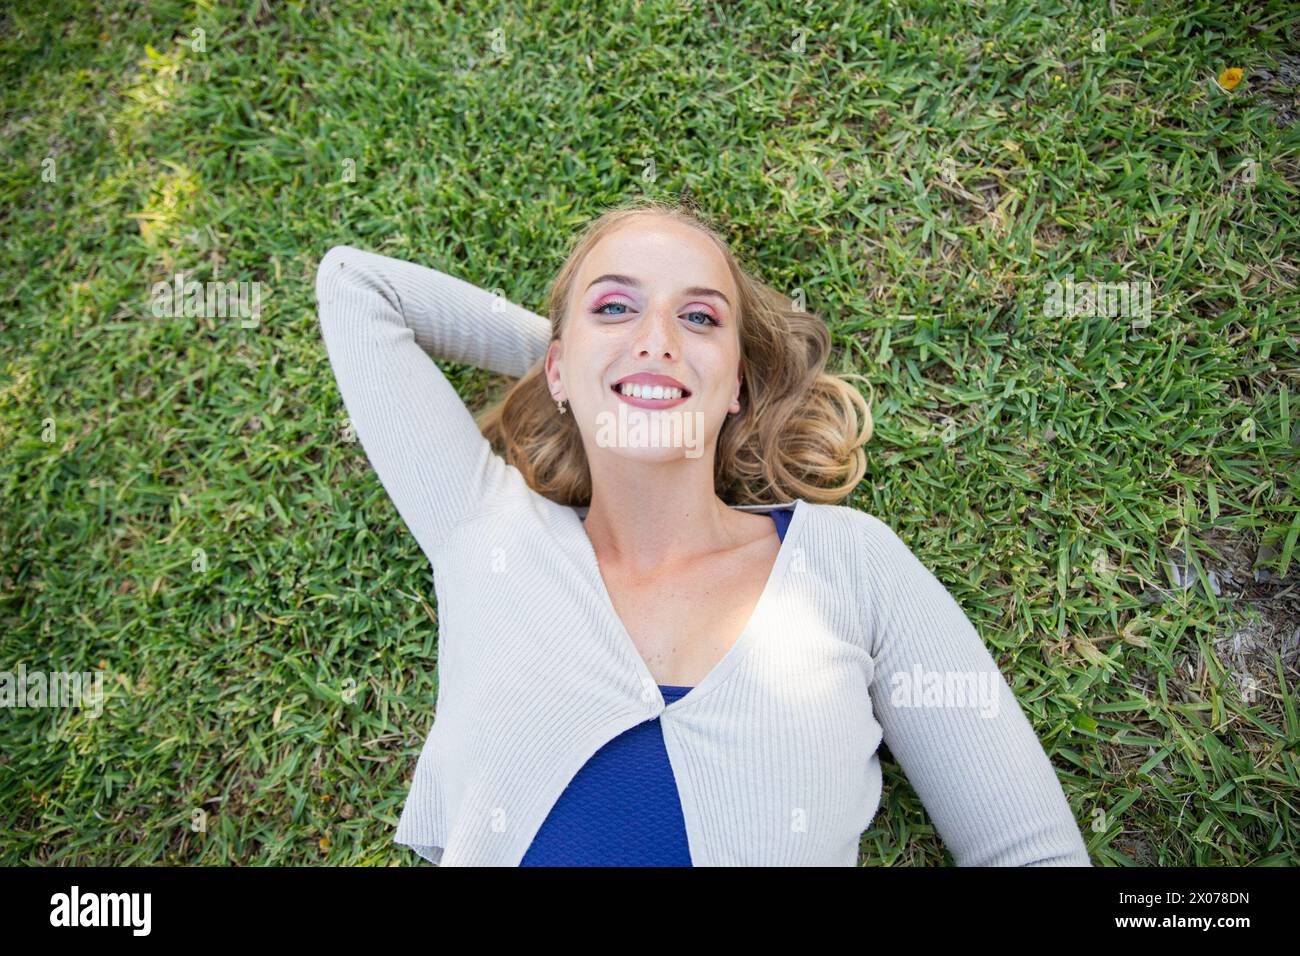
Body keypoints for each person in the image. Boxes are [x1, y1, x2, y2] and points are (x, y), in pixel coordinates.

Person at [313, 197, 1092, 866]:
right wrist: (601, 369)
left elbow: (1029, 851)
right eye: (614, 306)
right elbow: (357, 285)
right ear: (553, 369)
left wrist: (618, 365)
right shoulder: (487, 532)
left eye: (698, 318)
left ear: (740, 385)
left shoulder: (851, 565)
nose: (657, 334)